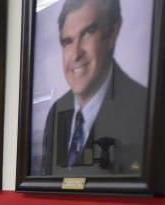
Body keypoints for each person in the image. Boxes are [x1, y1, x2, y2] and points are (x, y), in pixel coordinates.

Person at [39, 0, 147, 176]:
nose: (75, 54)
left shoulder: (145, 107)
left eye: (88, 32)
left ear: (113, 32)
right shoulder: (57, 111)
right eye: (67, 41)